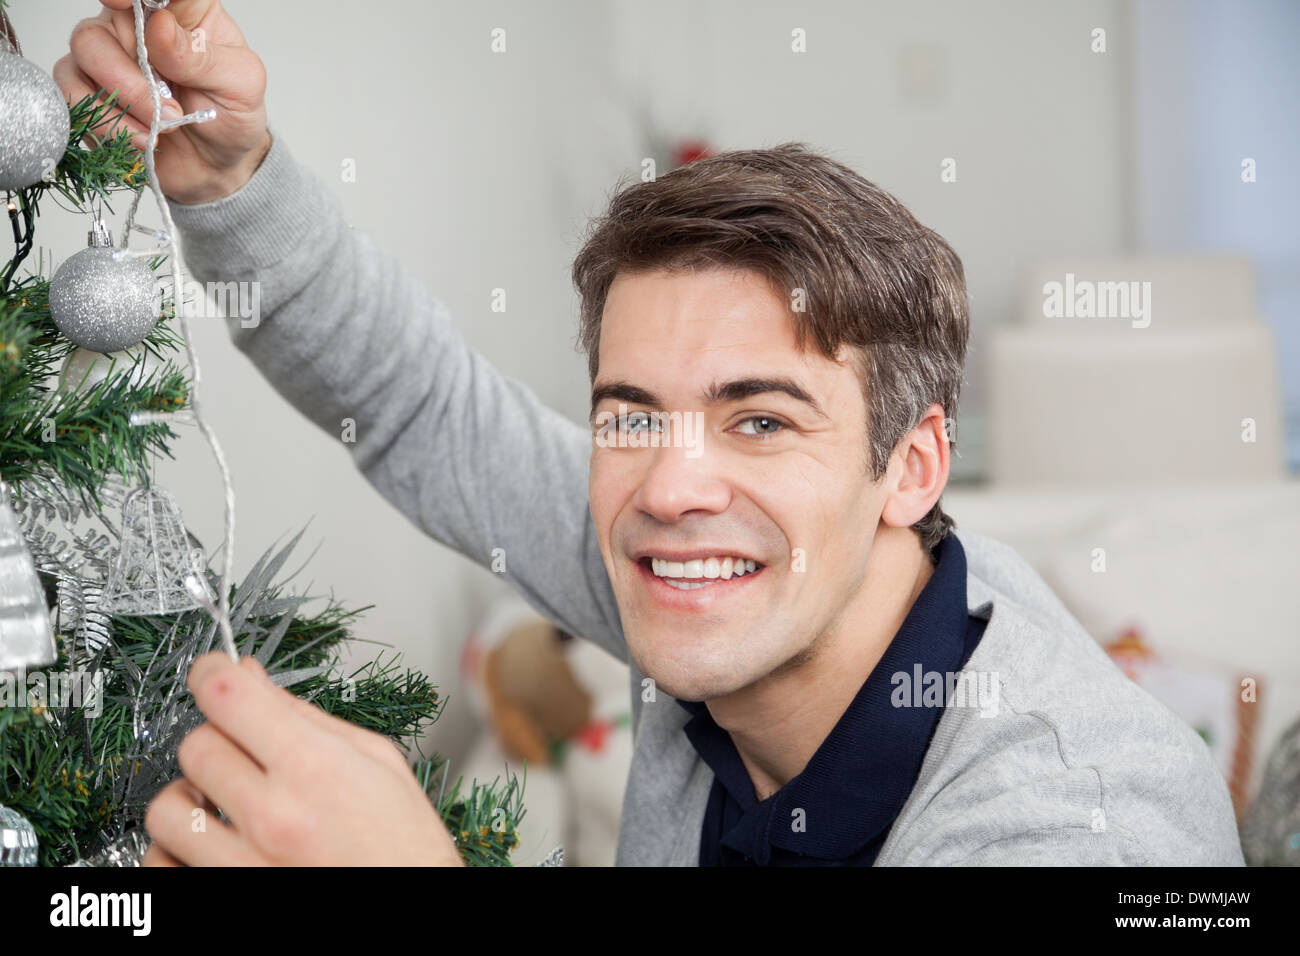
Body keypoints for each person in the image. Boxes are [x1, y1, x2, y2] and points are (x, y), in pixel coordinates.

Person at [56, 0, 1244, 867]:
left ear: (910, 466)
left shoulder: (1088, 818)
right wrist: (228, 181)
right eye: (630, 413)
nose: (671, 486)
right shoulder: (695, 580)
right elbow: (418, 400)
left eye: (761, 418)